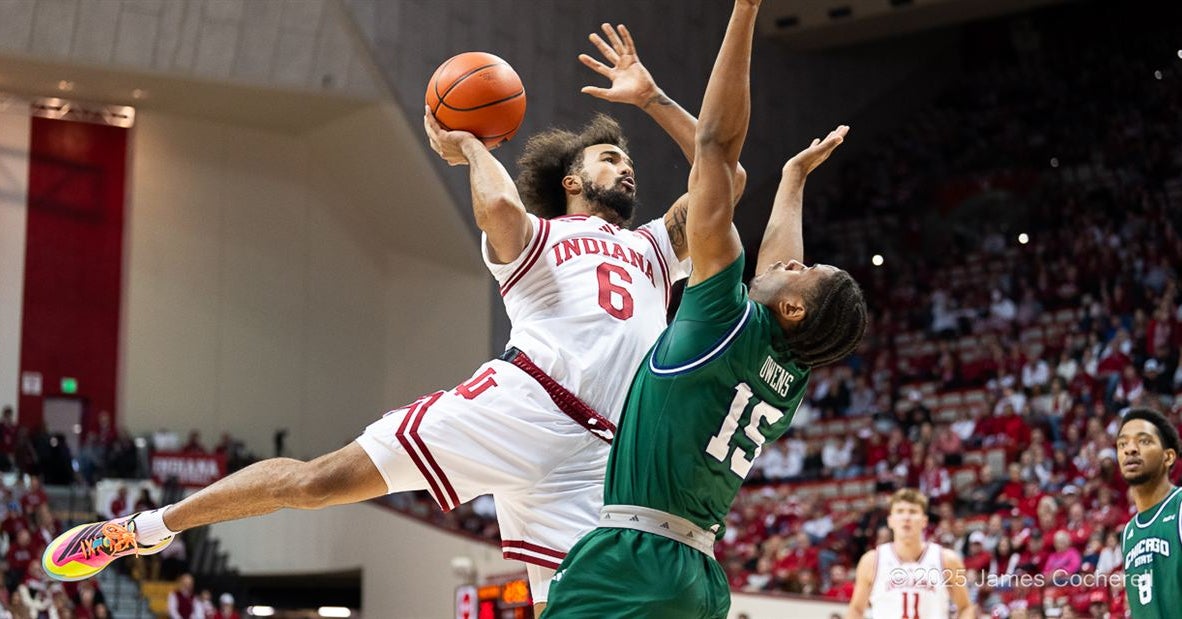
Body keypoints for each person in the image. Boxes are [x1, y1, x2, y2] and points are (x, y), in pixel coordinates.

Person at [41, 15, 742, 615]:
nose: (627, 169)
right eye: (609, 157)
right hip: (522, 404)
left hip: (601, 458)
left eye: (628, 161)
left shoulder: (655, 247)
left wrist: (653, 99)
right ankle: (147, 527)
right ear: (570, 181)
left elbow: (727, 176)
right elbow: (497, 208)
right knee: (318, 482)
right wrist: (469, 144)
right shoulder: (537, 237)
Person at [544, 1, 866, 616]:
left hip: (633, 558)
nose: (794, 263)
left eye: (805, 272)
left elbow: (716, 148)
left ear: (795, 310)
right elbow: (777, 272)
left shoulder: (724, 317)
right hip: (697, 576)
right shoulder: (788, 375)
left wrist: (743, 10)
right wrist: (792, 180)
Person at [846, 489, 974, 619]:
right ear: (890, 520)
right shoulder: (871, 561)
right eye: (900, 511)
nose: (906, 517)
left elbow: (965, 607)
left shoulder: (947, 560)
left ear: (924, 520)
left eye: (913, 511)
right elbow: (856, 609)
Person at [1116, 407, 1182, 618]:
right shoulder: (1129, 533)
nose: (1130, 450)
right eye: (1122, 444)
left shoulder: (1179, 506)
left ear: (1168, 457)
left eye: (1143, 441)